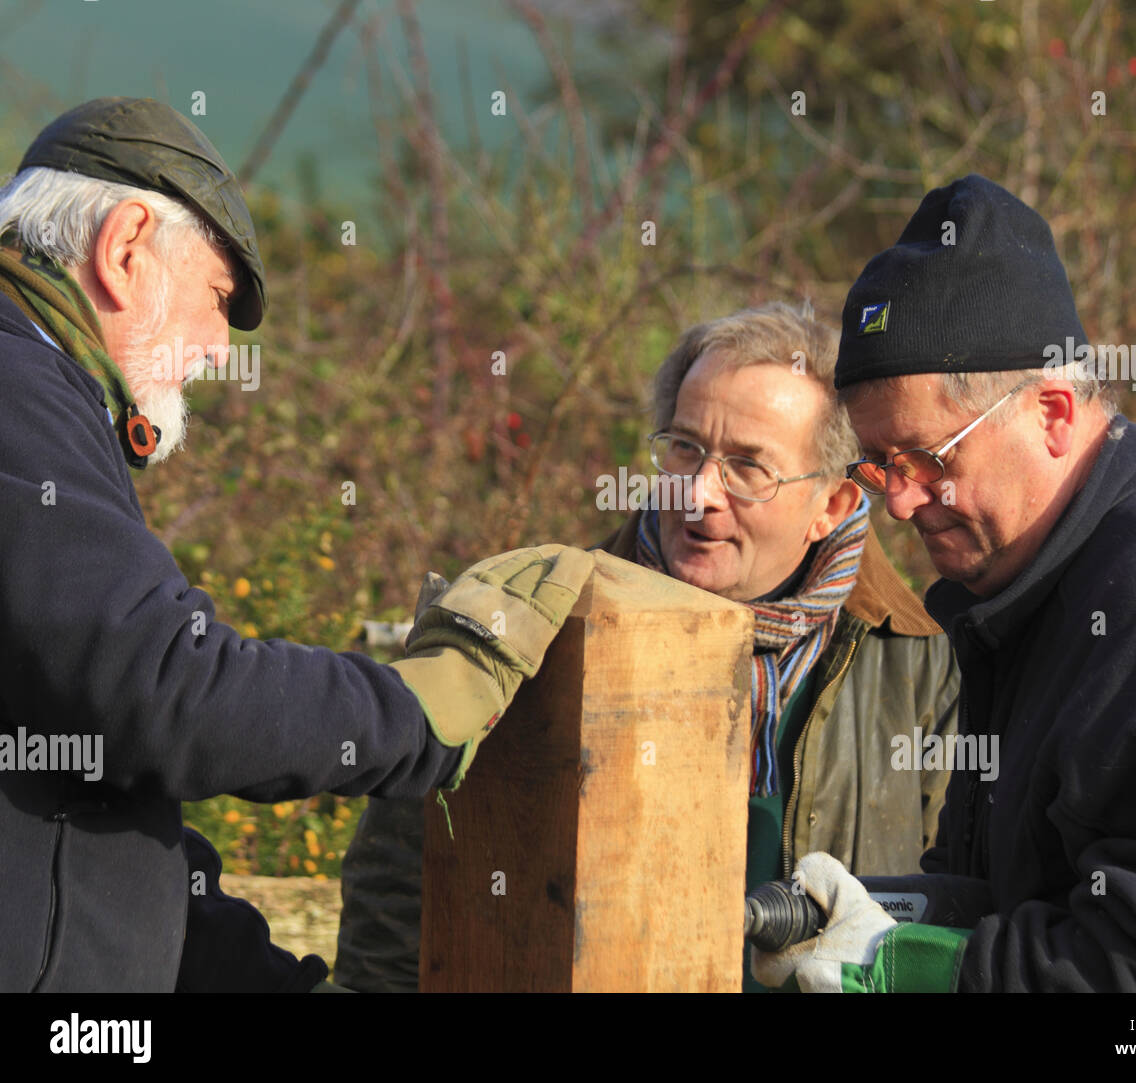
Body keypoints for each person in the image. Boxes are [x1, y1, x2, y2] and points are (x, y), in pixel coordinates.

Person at [0, 97, 591, 992]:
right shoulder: (18, 386)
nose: (213, 352)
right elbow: (162, 688)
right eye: (215, 301)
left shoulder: (41, 393)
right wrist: (422, 707)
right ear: (124, 249)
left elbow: (90, 814)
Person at [753, 174, 1136, 993]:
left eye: (929, 460)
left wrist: (911, 968)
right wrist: (893, 908)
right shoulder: (1021, 593)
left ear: (1050, 411)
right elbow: (1032, 898)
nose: (898, 501)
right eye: (878, 465)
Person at [334, 301, 960, 992]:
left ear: (833, 505)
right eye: (685, 447)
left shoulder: (922, 669)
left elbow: (954, 904)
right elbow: (398, 887)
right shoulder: (534, 627)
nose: (698, 493)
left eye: (748, 467)